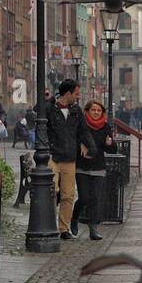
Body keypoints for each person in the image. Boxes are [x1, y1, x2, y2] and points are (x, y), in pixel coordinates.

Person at [45, 79, 95, 240]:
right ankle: (49, 226)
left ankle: (63, 229)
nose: (78, 97)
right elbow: (38, 124)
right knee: (52, 192)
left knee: (68, 195)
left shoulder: (76, 111)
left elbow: (83, 131)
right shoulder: (49, 109)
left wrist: (91, 146)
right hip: (52, 157)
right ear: (68, 93)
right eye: (76, 93)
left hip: (69, 159)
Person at [71, 100, 116, 241]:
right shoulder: (81, 125)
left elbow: (112, 149)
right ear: (87, 111)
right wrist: (80, 146)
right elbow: (74, 140)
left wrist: (110, 143)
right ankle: (75, 217)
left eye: (99, 111)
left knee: (95, 198)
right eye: (93, 110)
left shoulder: (106, 127)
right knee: (84, 197)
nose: (96, 113)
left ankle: (93, 229)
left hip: (98, 167)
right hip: (82, 166)